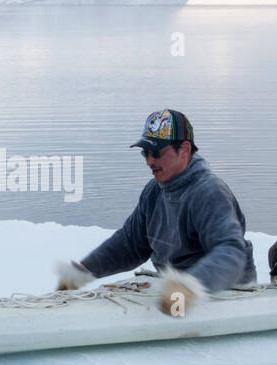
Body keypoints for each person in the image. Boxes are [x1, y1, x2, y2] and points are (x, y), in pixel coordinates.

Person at [55, 109, 256, 316]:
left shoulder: (208, 192)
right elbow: (131, 244)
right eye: (145, 153)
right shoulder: (154, 191)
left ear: (184, 150)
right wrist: (84, 271)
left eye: (157, 153)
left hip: (225, 294)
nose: (149, 161)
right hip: (173, 292)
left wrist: (189, 288)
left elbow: (231, 251)